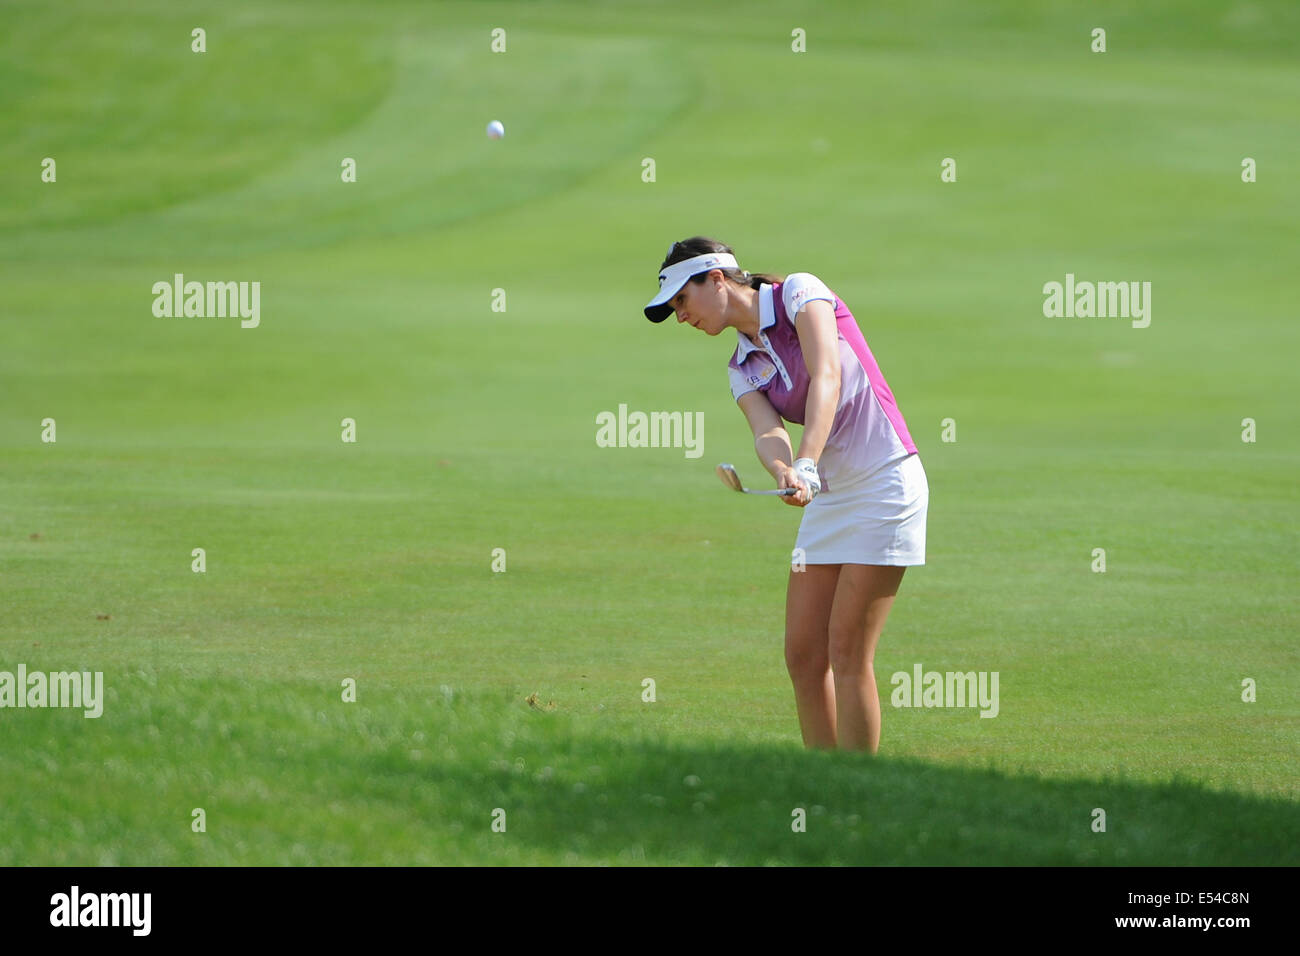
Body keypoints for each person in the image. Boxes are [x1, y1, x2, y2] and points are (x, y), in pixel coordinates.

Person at [643, 237, 928, 754]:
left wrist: (807, 462)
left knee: (846, 650)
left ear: (718, 279)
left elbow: (828, 376)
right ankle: (820, 782)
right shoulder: (740, 367)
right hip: (829, 493)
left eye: (682, 300)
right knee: (802, 654)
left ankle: (859, 791)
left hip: (885, 482)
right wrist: (782, 469)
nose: (680, 316)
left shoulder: (800, 293)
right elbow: (765, 430)